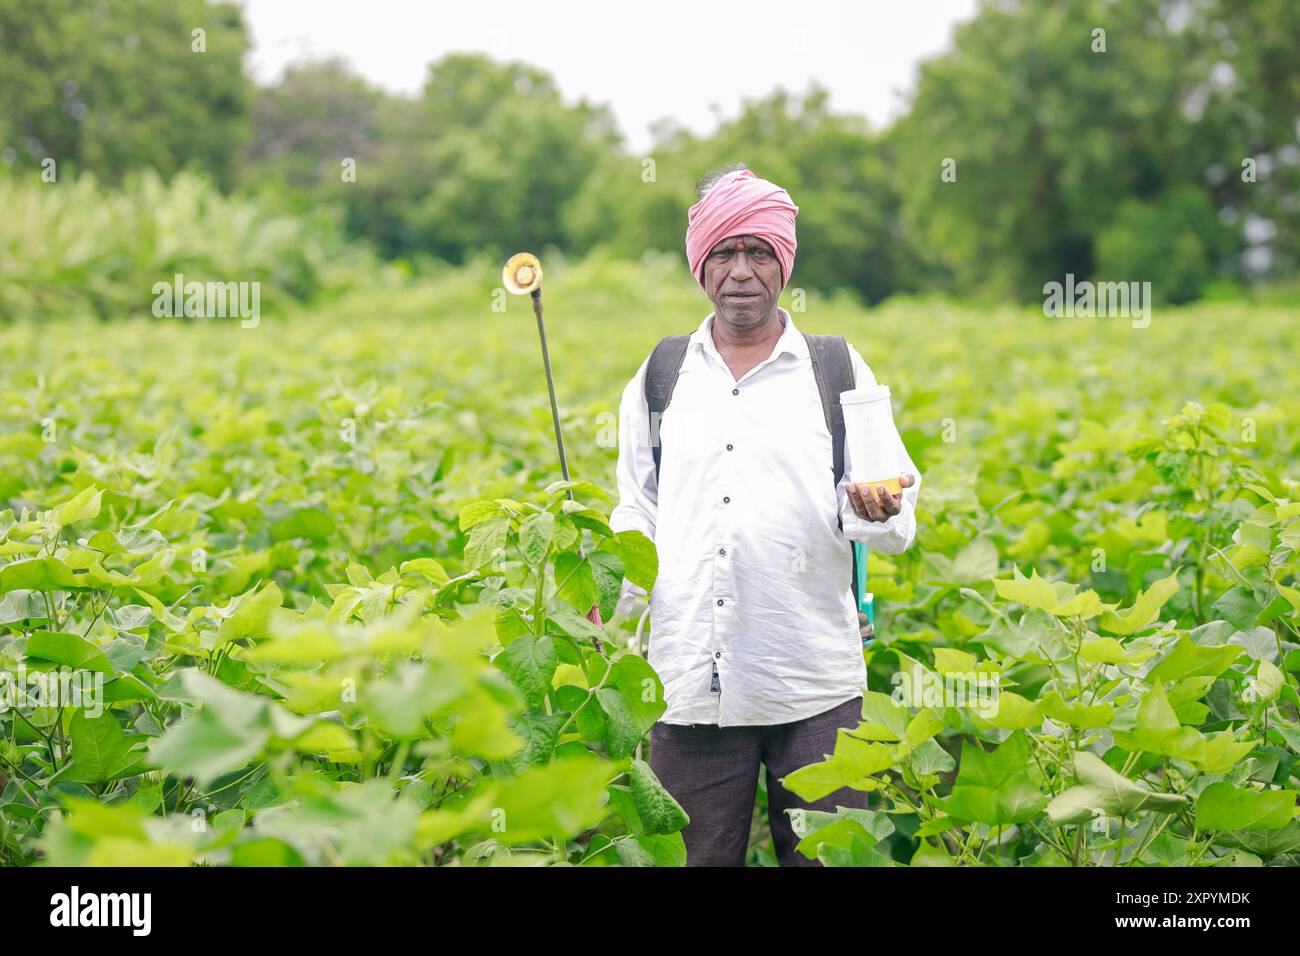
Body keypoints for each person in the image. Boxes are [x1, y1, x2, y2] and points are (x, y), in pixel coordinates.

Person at [608, 164, 921, 866]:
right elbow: (637, 505)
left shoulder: (835, 369)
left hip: (813, 681)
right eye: (724, 252)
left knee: (830, 859)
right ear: (701, 266)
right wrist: (607, 602)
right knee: (689, 859)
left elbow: (893, 521)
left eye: (758, 252)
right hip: (689, 682)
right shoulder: (662, 374)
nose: (741, 271)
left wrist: (876, 506)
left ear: (783, 264)